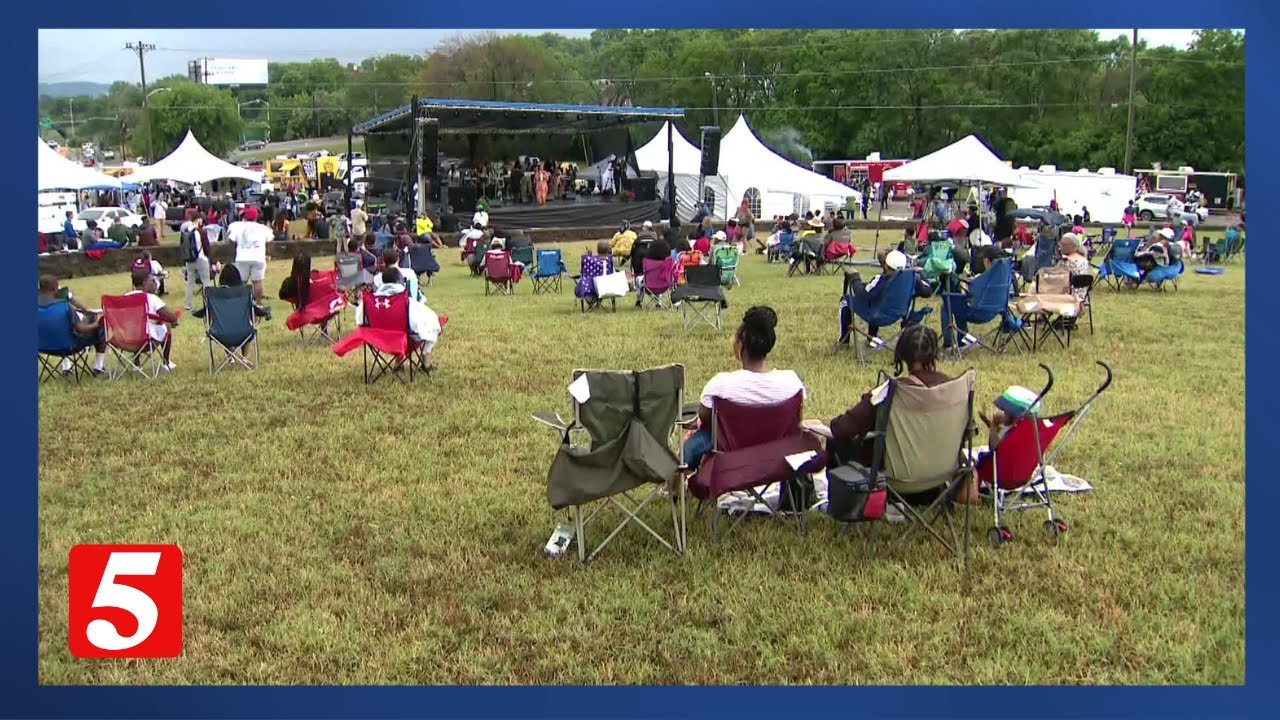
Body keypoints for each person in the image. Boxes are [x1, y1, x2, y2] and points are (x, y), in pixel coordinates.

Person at [821, 325, 952, 486]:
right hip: (942, 479)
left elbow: (842, 428)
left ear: (901, 354)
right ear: (934, 352)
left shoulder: (890, 391)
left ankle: (843, 502)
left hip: (899, 484)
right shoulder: (954, 387)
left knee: (837, 441)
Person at [682, 306, 807, 471]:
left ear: (740, 345)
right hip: (775, 462)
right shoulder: (792, 383)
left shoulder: (720, 386)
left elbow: (706, 420)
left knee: (697, 442)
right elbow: (797, 424)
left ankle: (679, 476)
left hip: (730, 467)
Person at [835, 249, 931, 349]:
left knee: (845, 301)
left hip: (877, 316)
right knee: (876, 301)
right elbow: (927, 291)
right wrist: (921, 272)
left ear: (885, 265)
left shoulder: (881, 279)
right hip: (900, 316)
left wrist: (855, 278)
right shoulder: (912, 278)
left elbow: (864, 294)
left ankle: (843, 342)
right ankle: (871, 337)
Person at [356, 267, 442, 373]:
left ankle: (399, 362)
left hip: (377, 340)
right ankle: (426, 364)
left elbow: (360, 321)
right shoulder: (406, 300)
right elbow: (425, 321)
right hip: (403, 340)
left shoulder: (369, 300)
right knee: (433, 327)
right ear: (398, 281)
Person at [38, 275, 108, 377]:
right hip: (69, 346)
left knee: (59, 333)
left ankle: (66, 368)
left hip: (42, 347)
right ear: (55, 288)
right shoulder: (64, 306)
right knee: (101, 330)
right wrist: (97, 324)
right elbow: (81, 329)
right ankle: (98, 367)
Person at [125, 268, 180, 371]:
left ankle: (136, 365)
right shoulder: (150, 298)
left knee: (135, 326)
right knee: (166, 325)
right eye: (152, 281)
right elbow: (170, 317)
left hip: (126, 340)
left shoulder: (124, 298)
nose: (155, 283)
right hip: (146, 341)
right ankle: (166, 362)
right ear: (145, 283)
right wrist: (173, 320)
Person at [194, 264, 271, 320]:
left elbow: (201, 313)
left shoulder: (215, 296)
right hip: (243, 334)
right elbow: (258, 311)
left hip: (220, 335)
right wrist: (267, 311)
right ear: (238, 279)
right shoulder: (245, 295)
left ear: (221, 280)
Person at [228, 207, 271, 303]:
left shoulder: (237, 226)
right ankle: (258, 303)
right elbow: (270, 241)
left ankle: (241, 302)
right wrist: (268, 253)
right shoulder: (263, 228)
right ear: (256, 217)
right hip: (258, 256)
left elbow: (231, 240)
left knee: (241, 282)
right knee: (258, 281)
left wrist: (234, 252)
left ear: (245, 217)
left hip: (242, 257)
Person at [181, 215, 212, 311]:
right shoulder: (201, 232)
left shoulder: (185, 231)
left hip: (189, 259)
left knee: (190, 282)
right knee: (206, 281)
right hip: (201, 258)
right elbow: (207, 247)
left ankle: (187, 304)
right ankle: (209, 302)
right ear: (198, 220)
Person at [1055, 233, 1091, 301]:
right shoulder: (1084, 260)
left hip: (1068, 298)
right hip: (1082, 298)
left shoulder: (1065, 262)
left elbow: (1056, 281)